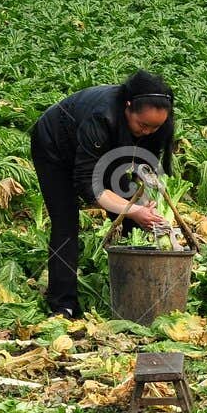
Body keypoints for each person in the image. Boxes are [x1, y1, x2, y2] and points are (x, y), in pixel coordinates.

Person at [28, 70, 177, 319]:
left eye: (156, 127)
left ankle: (134, 290)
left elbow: (145, 162)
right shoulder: (101, 118)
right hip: (55, 147)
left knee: (132, 215)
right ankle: (63, 304)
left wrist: (142, 201)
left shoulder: (156, 121)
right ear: (128, 107)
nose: (149, 131)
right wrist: (133, 209)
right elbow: (89, 187)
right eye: (143, 125)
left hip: (106, 151)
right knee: (66, 223)